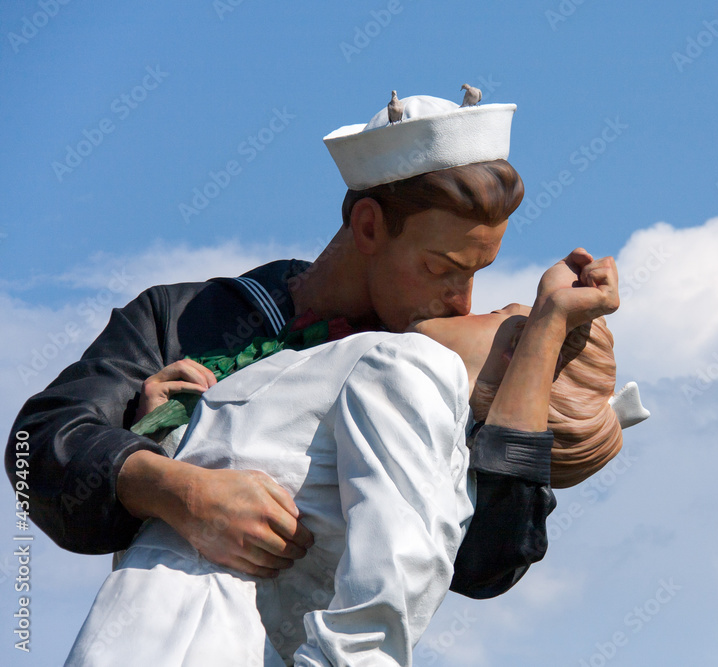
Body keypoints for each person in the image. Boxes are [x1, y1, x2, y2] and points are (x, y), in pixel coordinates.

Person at [6, 93, 566, 596]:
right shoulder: (178, 319)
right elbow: (36, 447)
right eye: (441, 268)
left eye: (476, 274)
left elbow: (487, 563)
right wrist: (174, 486)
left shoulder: (436, 369)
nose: (463, 302)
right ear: (369, 227)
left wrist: (529, 381)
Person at [65, 252, 643, 666]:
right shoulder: (409, 406)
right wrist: (167, 436)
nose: (466, 304)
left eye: (497, 313)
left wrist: (546, 327)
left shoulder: (415, 366)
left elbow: (391, 586)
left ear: (516, 351)